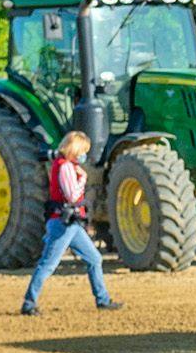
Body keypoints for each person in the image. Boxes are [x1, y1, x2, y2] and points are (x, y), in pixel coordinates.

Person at [18, 131, 121, 315]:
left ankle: (103, 300)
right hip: (62, 224)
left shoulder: (65, 165)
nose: (84, 155)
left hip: (71, 224)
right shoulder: (65, 167)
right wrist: (82, 179)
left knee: (94, 259)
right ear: (75, 149)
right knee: (48, 264)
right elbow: (72, 196)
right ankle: (29, 303)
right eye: (83, 151)